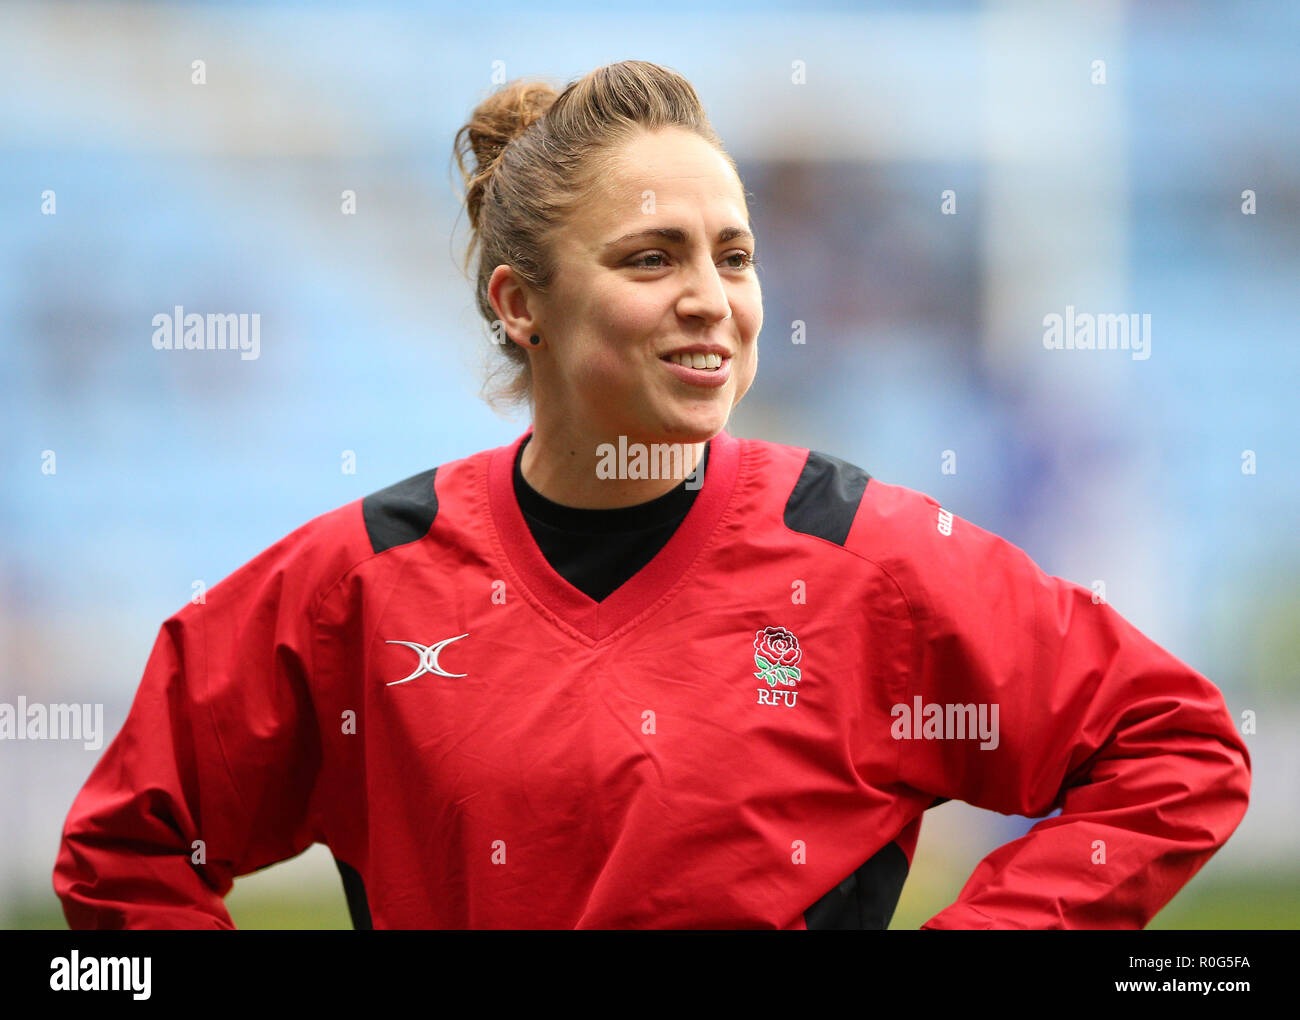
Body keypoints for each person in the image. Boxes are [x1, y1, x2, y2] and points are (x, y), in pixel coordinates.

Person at [53, 60, 1250, 930]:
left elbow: (1176, 746)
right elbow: (123, 858)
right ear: (520, 303)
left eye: (731, 255)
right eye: (649, 257)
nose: (709, 297)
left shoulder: (863, 553)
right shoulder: (358, 580)